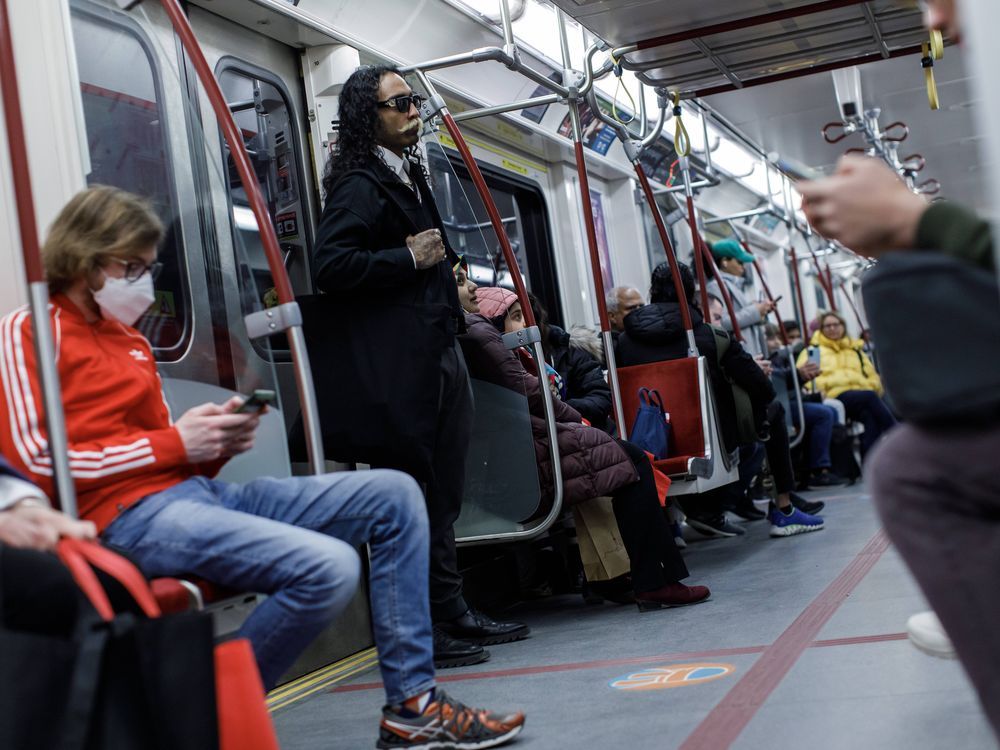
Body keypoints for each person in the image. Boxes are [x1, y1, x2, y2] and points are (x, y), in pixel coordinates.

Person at [0, 185, 524, 749]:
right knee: (326, 569)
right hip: (124, 518)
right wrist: (178, 444)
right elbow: (35, 461)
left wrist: (215, 441)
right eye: (131, 267)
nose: (143, 285)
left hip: (191, 494)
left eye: (148, 269)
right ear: (83, 255)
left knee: (394, 495)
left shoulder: (129, 341)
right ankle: (207, 712)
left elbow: (162, 450)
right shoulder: (29, 331)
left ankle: (413, 707)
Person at [798, 1, 1000, 737]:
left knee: (911, 463)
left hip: (859, 390)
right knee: (899, 440)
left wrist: (916, 222)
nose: (937, 16)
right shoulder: (825, 349)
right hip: (844, 392)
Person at [313, 64, 527, 668]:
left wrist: (445, 274)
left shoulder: (410, 174)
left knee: (443, 496)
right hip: (400, 365)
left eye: (413, 101)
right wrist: (406, 258)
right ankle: (419, 627)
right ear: (368, 117)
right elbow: (331, 267)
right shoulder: (360, 182)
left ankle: (452, 611)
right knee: (412, 497)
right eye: (399, 103)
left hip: (438, 347)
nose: (413, 111)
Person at [461, 286, 710, 610]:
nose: (526, 325)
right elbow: (536, 398)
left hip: (527, 448)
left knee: (626, 460)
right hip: (530, 456)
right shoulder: (487, 340)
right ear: (495, 323)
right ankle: (656, 581)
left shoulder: (510, 349)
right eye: (516, 317)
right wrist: (577, 418)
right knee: (632, 462)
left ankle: (647, 579)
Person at [616, 261, 825, 538]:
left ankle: (670, 522)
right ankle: (784, 508)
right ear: (691, 293)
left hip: (648, 437)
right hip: (709, 438)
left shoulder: (623, 343)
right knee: (772, 411)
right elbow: (762, 387)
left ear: (652, 292)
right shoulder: (709, 336)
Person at [795, 310, 896, 459]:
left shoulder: (855, 350)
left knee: (870, 415)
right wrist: (833, 385)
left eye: (836, 324)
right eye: (827, 326)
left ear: (843, 326)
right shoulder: (813, 351)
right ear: (821, 329)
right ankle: (896, 431)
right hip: (834, 395)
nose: (832, 328)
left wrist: (867, 385)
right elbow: (806, 379)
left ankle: (869, 461)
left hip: (862, 395)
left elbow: (872, 375)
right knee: (870, 397)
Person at [764, 324, 846, 487]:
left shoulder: (778, 357)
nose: (776, 343)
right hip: (779, 404)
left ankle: (831, 467)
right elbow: (778, 386)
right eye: (771, 338)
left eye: (777, 338)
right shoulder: (771, 360)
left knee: (830, 410)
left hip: (790, 400)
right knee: (824, 413)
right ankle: (819, 468)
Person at [528, 293, 613, 434]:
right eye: (516, 317)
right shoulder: (508, 366)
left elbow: (601, 399)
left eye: (523, 316)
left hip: (589, 431)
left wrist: (561, 408)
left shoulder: (570, 352)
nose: (523, 325)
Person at [705, 238, 776, 359]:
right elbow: (721, 323)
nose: (743, 266)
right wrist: (755, 311)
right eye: (739, 262)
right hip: (738, 354)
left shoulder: (734, 286)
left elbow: (739, 316)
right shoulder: (715, 286)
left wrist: (761, 311)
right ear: (724, 262)